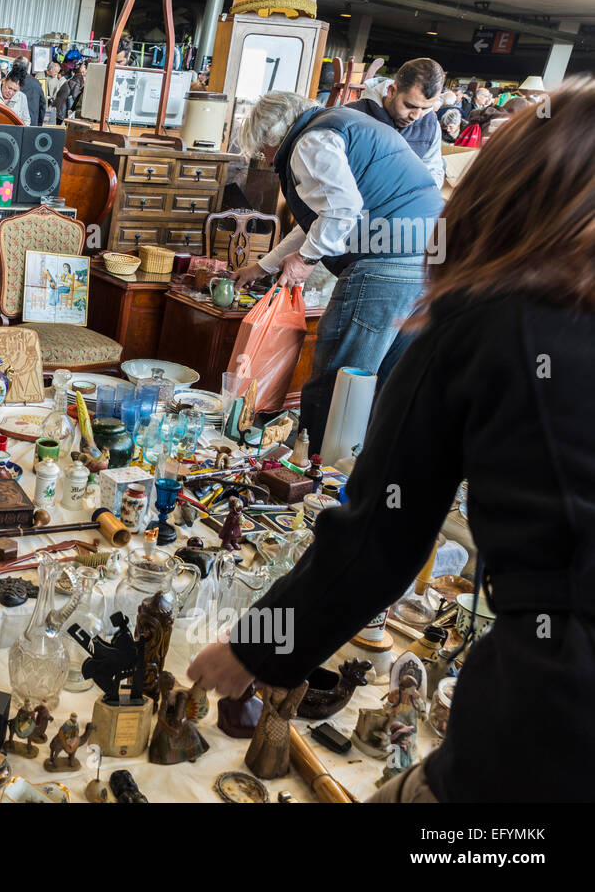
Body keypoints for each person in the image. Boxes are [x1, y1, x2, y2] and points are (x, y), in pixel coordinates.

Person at [190, 77, 595, 802]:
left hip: (556, 721)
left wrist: (254, 645)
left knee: (340, 379)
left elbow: (378, 537)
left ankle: (318, 464)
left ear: (510, 185)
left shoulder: (492, 317)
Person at [232, 91, 443, 452]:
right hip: (430, 257)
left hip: (385, 261)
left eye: (263, 151)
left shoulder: (309, 142)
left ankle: (308, 470)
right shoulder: (341, 125)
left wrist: (304, 261)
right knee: (387, 377)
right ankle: (363, 467)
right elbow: (318, 219)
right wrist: (262, 266)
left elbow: (341, 212)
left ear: (272, 135)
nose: (265, 160)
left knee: (338, 375)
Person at [347, 58, 446, 187]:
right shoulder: (350, 117)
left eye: (426, 108)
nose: (416, 116)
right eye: (410, 105)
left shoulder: (431, 125)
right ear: (391, 91)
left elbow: (433, 171)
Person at [12, 56, 46, 127]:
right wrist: (39, 124)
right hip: (32, 123)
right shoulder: (36, 83)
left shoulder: (8, 81)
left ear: (13, 66)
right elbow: (42, 104)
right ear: (27, 68)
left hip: (12, 122)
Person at [54, 54, 85, 123]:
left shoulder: (72, 81)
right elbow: (75, 97)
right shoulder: (76, 82)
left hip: (59, 107)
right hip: (62, 109)